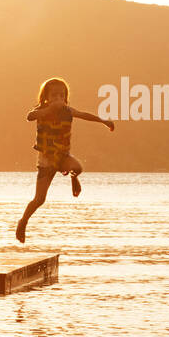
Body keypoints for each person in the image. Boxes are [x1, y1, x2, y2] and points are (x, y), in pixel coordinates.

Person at [16, 77, 114, 242]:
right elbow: (30, 116)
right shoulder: (42, 110)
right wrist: (48, 110)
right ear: (46, 97)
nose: (58, 99)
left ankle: (74, 178)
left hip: (63, 157)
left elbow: (83, 115)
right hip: (46, 160)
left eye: (61, 96)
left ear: (65, 98)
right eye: (54, 96)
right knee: (39, 199)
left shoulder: (68, 111)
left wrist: (103, 121)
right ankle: (23, 221)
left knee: (78, 168)